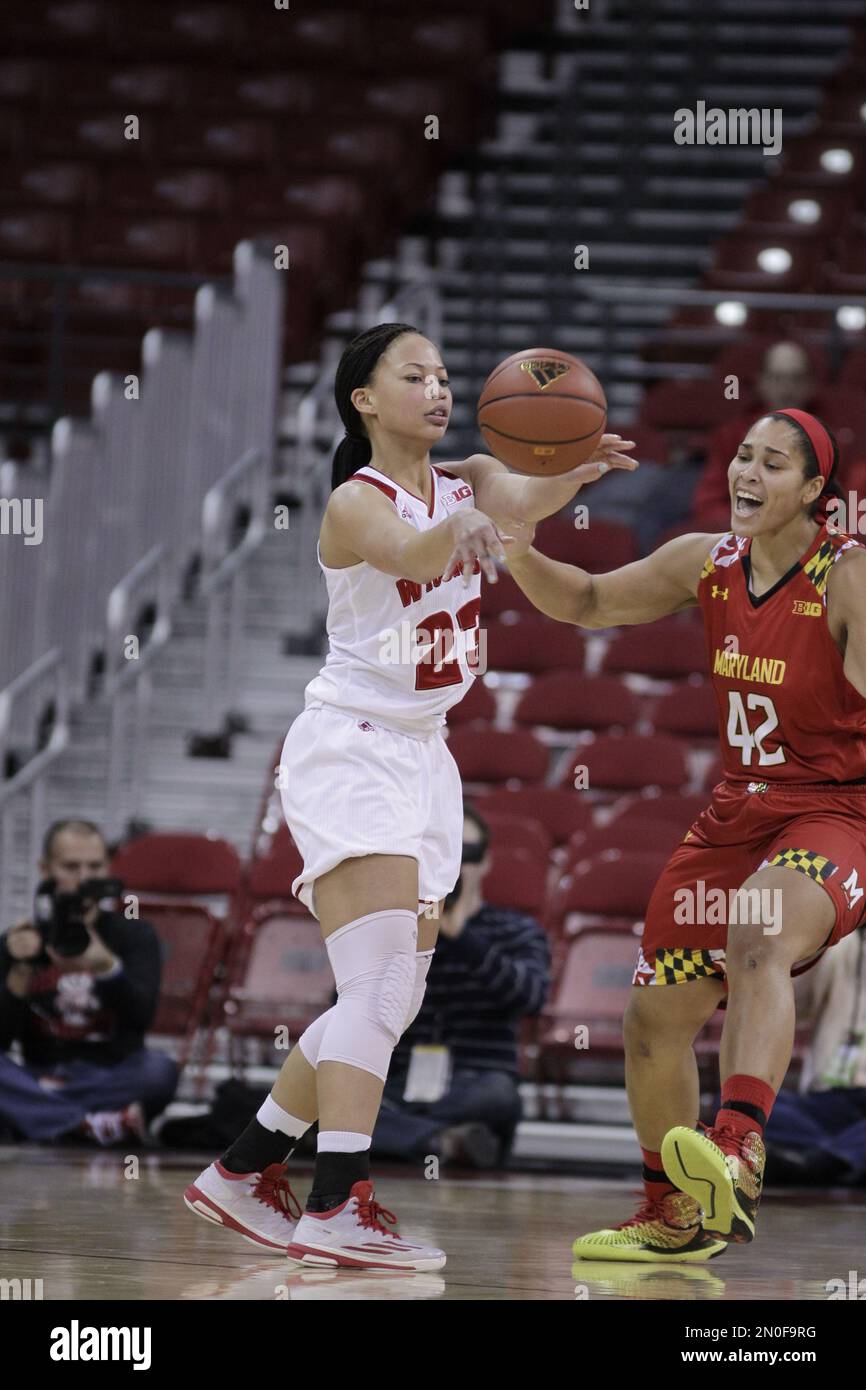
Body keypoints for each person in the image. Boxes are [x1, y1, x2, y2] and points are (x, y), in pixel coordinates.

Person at [184, 322, 636, 1270]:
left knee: (388, 996)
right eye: (413, 375)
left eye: (443, 373)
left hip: (427, 753)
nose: (437, 388)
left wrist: (569, 469)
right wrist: (462, 525)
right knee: (379, 989)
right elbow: (413, 552)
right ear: (365, 398)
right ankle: (335, 1202)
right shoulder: (355, 502)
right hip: (352, 746)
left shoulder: (467, 473)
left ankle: (239, 1172)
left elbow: (518, 497)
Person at [503, 407, 866, 1262]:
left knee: (759, 929)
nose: (748, 472)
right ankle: (675, 1214)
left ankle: (738, 1148)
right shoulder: (706, 562)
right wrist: (517, 547)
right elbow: (589, 601)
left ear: (816, 492)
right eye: (742, 455)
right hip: (739, 814)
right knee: (650, 1019)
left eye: (774, 464)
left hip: (838, 810)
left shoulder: (847, 576)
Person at [371, 805, 550, 1169]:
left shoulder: (516, 930)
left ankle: (403, 1135)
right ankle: (441, 1140)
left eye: (466, 854)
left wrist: (462, 936)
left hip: (474, 1081)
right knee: (334, 1093)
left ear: (485, 863)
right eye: (443, 851)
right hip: (400, 1080)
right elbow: (351, 1002)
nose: (455, 864)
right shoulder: (403, 926)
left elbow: (530, 996)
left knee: (499, 1096)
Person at [0, 820, 176, 1145]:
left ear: (108, 869)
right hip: (42, 1075)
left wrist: (107, 967)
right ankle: (84, 1124)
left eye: (95, 866)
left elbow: (141, 1019)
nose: (85, 878)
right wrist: (19, 972)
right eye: (71, 866)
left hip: (110, 1076)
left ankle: (37, 1116)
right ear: (45, 869)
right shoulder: (23, 939)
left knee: (159, 1071)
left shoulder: (135, 934)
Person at [763, 925, 866, 1186]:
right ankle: (842, 1155)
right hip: (826, 1100)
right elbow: (789, 1005)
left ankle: (818, 1161)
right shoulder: (840, 946)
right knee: (734, 1102)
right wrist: (818, 943)